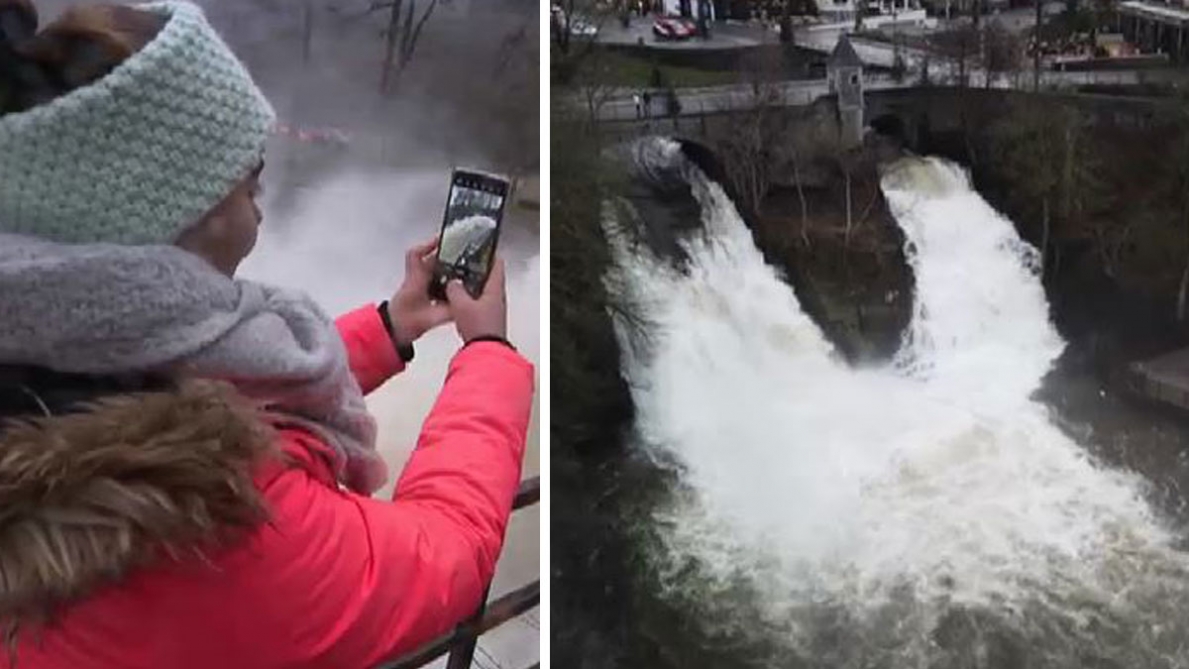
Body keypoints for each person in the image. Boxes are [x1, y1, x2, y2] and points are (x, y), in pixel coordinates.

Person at [0, 2, 534, 668]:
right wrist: (488, 351)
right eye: (250, 184)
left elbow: (219, 390)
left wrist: (391, 327)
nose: (259, 209)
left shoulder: (54, 351)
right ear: (182, 211)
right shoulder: (212, 517)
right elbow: (445, 553)